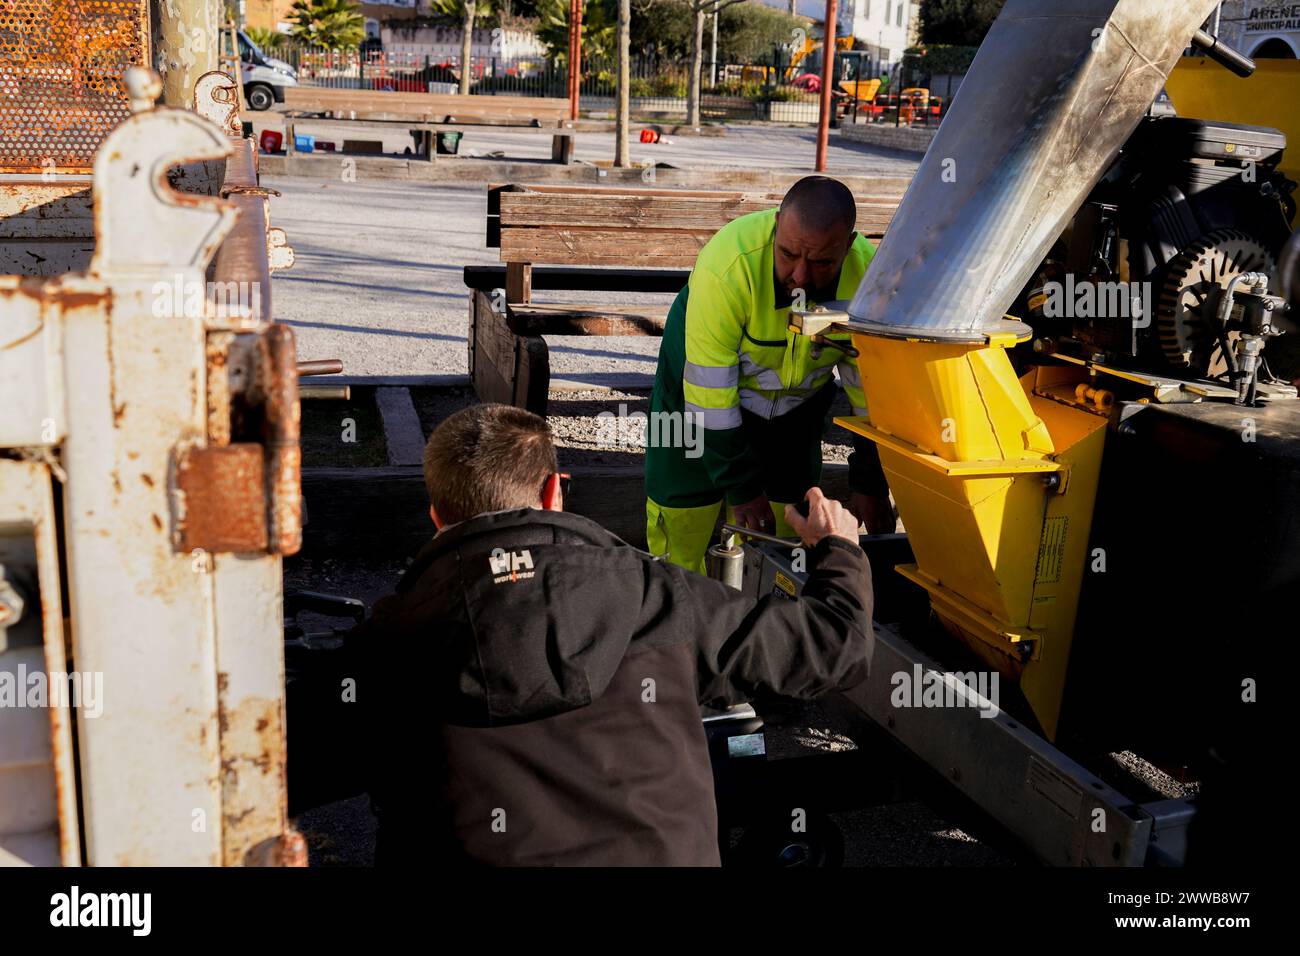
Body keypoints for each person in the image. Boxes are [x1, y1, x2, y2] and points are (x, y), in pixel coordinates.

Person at [358, 402, 874, 866]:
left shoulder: (387, 643)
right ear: (554, 490)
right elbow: (836, 646)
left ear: (434, 515)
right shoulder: (656, 595)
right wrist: (839, 550)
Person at [645, 175, 893, 575]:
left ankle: (765, 624)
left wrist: (870, 481)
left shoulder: (869, 279)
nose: (800, 276)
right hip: (694, 406)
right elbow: (709, 398)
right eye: (788, 254)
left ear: (848, 247)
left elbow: (874, 393)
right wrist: (740, 488)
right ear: (777, 225)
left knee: (783, 538)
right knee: (681, 523)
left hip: (794, 414)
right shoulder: (728, 265)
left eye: (821, 262)